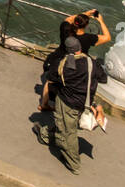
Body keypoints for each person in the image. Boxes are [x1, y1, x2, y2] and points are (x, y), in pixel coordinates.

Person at [36, 36, 108, 173]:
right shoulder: (91, 62)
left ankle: (73, 162)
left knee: (68, 132)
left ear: (67, 50)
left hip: (67, 101)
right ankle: (45, 135)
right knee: (65, 123)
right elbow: (103, 78)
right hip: (85, 102)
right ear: (80, 48)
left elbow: (51, 77)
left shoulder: (63, 64)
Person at [40, 10, 110, 112]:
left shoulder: (66, 30)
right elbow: (107, 37)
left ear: (75, 22)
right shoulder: (89, 38)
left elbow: (68, 19)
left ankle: (44, 104)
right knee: (70, 84)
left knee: (50, 81)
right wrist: (101, 21)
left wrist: (86, 13)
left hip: (58, 60)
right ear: (86, 26)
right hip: (75, 64)